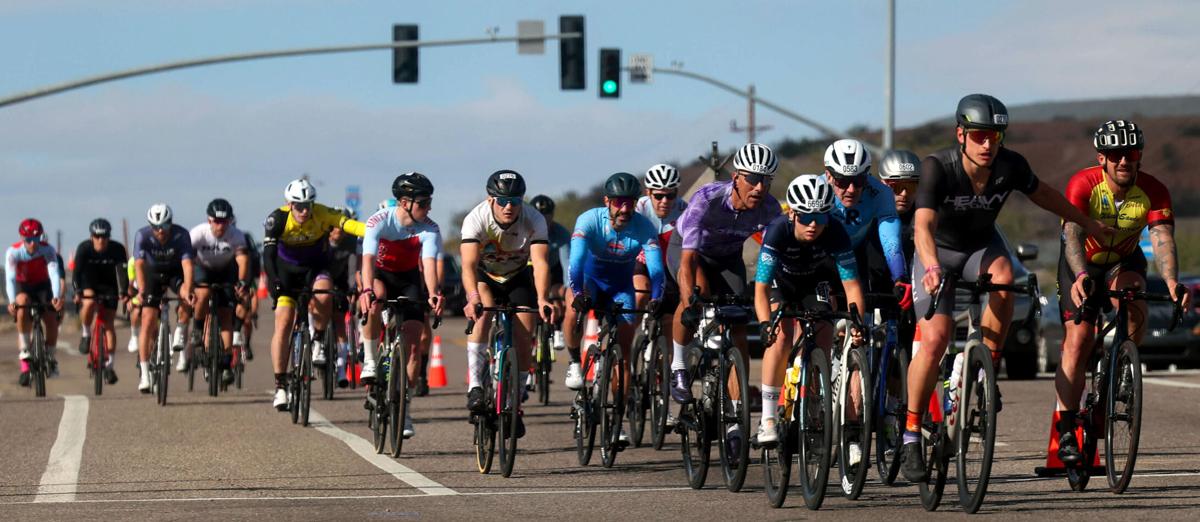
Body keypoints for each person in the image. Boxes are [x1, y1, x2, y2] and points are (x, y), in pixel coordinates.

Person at [900, 94, 1112, 482]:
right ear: (960, 134)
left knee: (1004, 277)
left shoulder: (1010, 165)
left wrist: (1090, 224)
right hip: (939, 253)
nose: (988, 145)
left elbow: (1046, 196)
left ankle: (987, 369)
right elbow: (923, 226)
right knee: (935, 341)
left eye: (995, 137)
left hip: (981, 248)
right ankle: (911, 433)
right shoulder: (938, 168)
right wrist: (929, 266)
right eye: (980, 136)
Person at [1053, 120, 1188, 464]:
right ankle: (1067, 429)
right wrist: (1081, 274)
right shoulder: (1083, 184)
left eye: (1130, 154)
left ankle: (1123, 364)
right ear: (1102, 159)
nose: (1124, 161)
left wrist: (1172, 281)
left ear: (1139, 155)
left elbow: (1162, 240)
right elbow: (1072, 236)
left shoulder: (1153, 190)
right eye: (1116, 155)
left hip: (1123, 260)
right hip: (1083, 260)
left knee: (1136, 294)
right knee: (1079, 339)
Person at [754, 175, 865, 462]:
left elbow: (852, 287)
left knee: (824, 333)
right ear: (793, 213)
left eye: (820, 217)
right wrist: (766, 324)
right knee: (779, 338)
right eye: (806, 217)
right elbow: (761, 288)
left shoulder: (835, 231)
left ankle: (812, 399)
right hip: (782, 283)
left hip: (814, 282)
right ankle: (767, 418)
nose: (814, 224)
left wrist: (858, 324)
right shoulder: (777, 231)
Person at [560, 173, 665, 444]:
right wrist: (579, 292)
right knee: (573, 311)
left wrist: (656, 296)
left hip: (620, 286)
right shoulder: (589, 220)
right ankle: (574, 362)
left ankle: (616, 419)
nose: (626, 209)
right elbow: (576, 262)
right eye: (619, 202)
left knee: (624, 356)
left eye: (630, 202)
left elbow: (655, 268)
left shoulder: (643, 227)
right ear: (607, 202)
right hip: (590, 280)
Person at [460, 170, 555, 438]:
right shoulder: (475, 219)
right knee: (483, 315)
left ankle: (516, 399)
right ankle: (476, 385)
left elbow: (540, 263)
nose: (509, 206)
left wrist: (543, 298)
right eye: (502, 200)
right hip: (485, 277)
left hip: (517, 277)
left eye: (515, 200)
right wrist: (472, 298)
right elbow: (467, 265)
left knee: (525, 332)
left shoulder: (533, 218)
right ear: (491, 200)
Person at [263, 178, 366, 411]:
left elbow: (349, 224)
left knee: (324, 293)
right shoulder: (277, 219)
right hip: (286, 272)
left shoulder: (322, 213)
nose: (304, 210)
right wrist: (274, 281)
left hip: (316, 268)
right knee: (283, 323)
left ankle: (318, 338)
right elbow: (268, 256)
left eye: (308, 205)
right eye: (299, 206)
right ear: (289, 205)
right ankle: (281, 384)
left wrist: (377, 229)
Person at [358, 172, 443, 439]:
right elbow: (368, 258)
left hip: (408, 280)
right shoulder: (379, 221)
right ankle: (371, 360)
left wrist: (433, 293)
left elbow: (428, 264)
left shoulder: (429, 228)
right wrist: (367, 289)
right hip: (381, 275)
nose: (428, 207)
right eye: (423, 202)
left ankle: (404, 407)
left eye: (430, 201)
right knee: (374, 303)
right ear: (405, 202)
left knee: (414, 345)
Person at [823, 139, 912, 312]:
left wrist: (899, 277)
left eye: (858, 181)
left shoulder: (881, 193)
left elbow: (891, 241)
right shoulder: (816, 190)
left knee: (862, 313)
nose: (851, 189)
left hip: (854, 253)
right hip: (821, 255)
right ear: (828, 176)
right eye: (842, 181)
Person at [132, 204, 196, 393]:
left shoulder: (181, 235)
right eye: (156, 226)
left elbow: (188, 265)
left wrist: (188, 290)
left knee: (187, 294)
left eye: (165, 226)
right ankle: (144, 374)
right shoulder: (142, 236)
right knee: (148, 319)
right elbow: (139, 264)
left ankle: (181, 330)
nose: (160, 231)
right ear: (150, 225)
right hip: (152, 274)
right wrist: (142, 290)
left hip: (174, 273)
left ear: (171, 223)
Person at [188, 199, 251, 385]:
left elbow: (242, 261)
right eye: (216, 221)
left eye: (225, 222)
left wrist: (241, 282)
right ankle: (198, 329)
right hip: (203, 269)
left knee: (225, 315)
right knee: (203, 294)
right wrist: (189, 283)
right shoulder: (198, 233)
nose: (220, 225)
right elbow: (187, 261)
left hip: (226, 270)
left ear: (230, 221)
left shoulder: (237, 235)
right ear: (209, 220)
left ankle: (225, 359)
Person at [7, 219, 64, 386]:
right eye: (29, 241)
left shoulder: (48, 250)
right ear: (22, 238)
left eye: (37, 239)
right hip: (22, 285)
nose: (33, 244)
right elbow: (10, 279)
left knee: (52, 319)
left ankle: (51, 356)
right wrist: (11, 302)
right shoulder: (14, 252)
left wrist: (56, 296)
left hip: (42, 285)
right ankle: (25, 350)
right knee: (22, 303)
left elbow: (54, 275)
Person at [72, 218, 128, 385]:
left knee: (109, 324)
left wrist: (124, 292)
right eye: (97, 236)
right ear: (92, 237)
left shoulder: (117, 249)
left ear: (109, 237)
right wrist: (77, 292)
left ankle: (110, 366)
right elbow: (76, 273)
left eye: (104, 237)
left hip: (108, 285)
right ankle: (86, 334)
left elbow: (122, 273)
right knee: (88, 303)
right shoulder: (84, 248)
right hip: (88, 283)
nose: (101, 240)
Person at [327, 207, 361, 388]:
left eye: (341, 229)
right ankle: (314, 342)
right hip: (321, 281)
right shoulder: (320, 241)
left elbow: (352, 268)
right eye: (334, 228)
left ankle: (341, 369)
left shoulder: (350, 244)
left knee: (340, 322)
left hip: (340, 284)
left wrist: (352, 289)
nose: (337, 233)